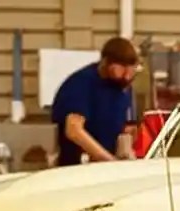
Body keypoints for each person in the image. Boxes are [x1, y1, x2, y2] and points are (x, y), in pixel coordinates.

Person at [50, 37, 139, 166]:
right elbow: (74, 130)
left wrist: (126, 152)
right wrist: (109, 160)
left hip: (108, 165)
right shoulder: (81, 84)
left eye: (130, 72)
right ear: (105, 62)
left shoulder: (122, 87)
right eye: (121, 71)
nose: (126, 77)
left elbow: (126, 127)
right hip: (78, 166)